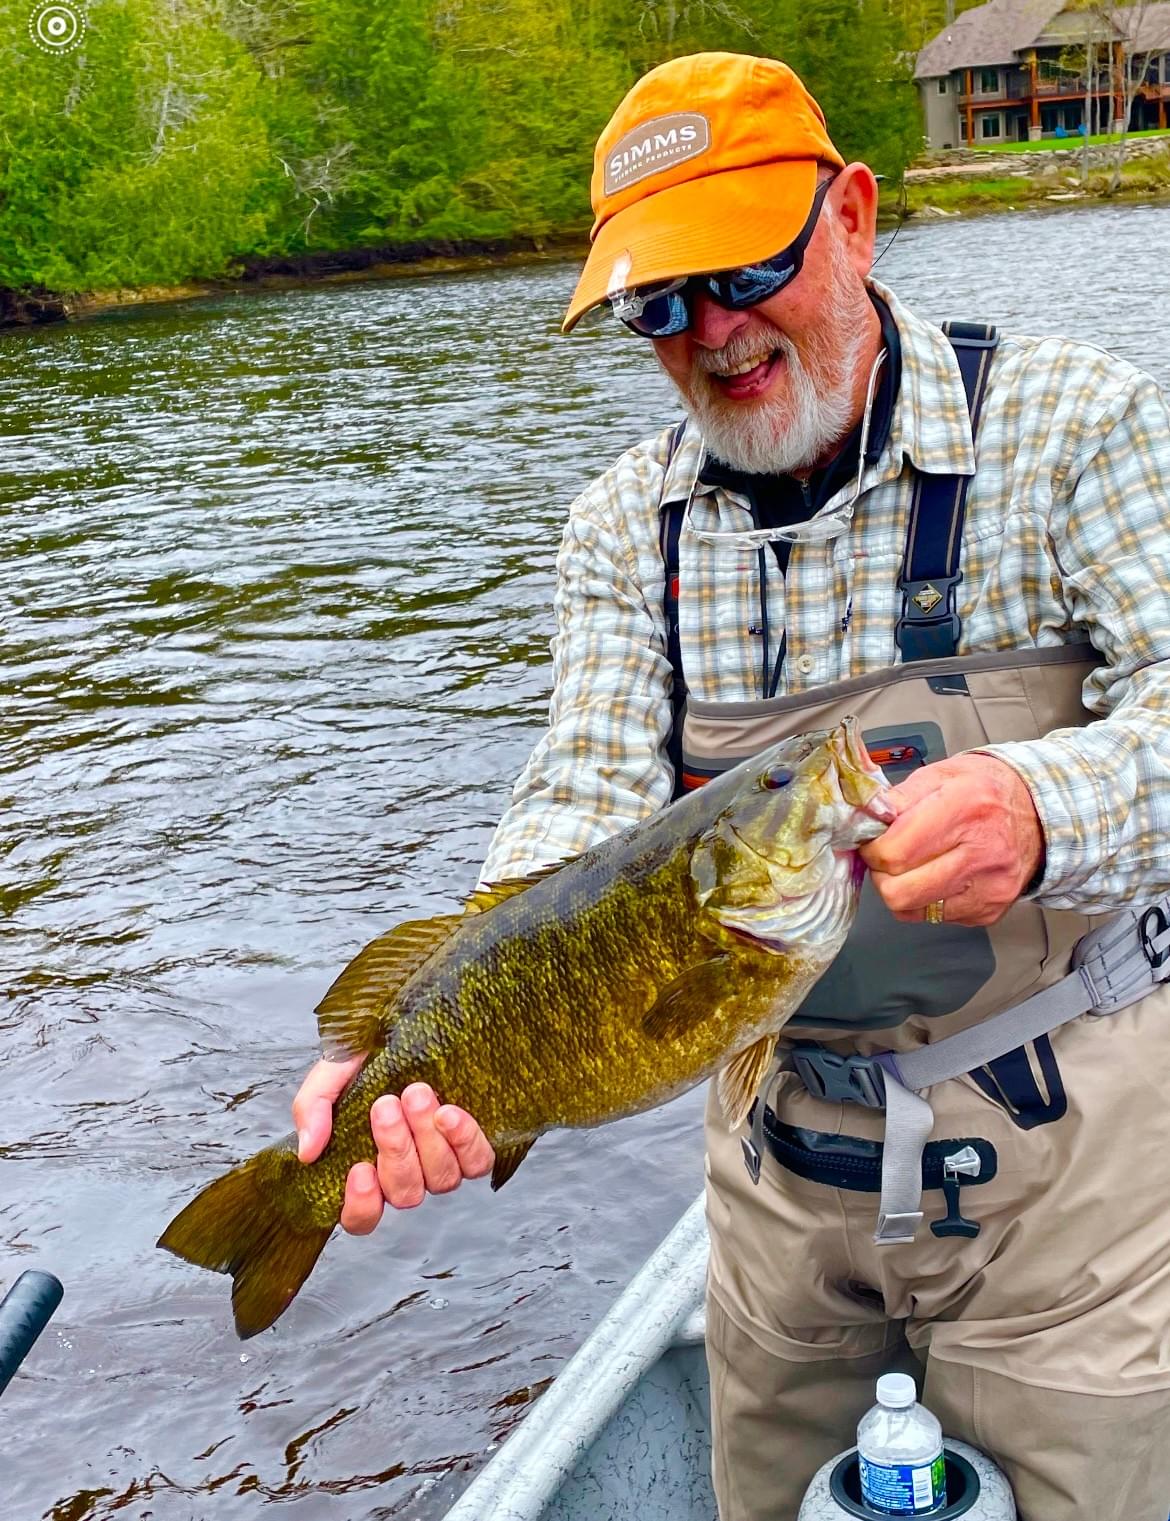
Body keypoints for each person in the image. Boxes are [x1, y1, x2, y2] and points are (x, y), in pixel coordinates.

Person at [292, 51, 1170, 1521]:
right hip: (774, 1184)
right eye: (656, 301)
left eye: (741, 267)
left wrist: (1041, 805)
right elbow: (580, 800)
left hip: (1066, 1174)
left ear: (853, 216)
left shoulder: (1076, 424)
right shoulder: (618, 528)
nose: (709, 329)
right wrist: (429, 1040)